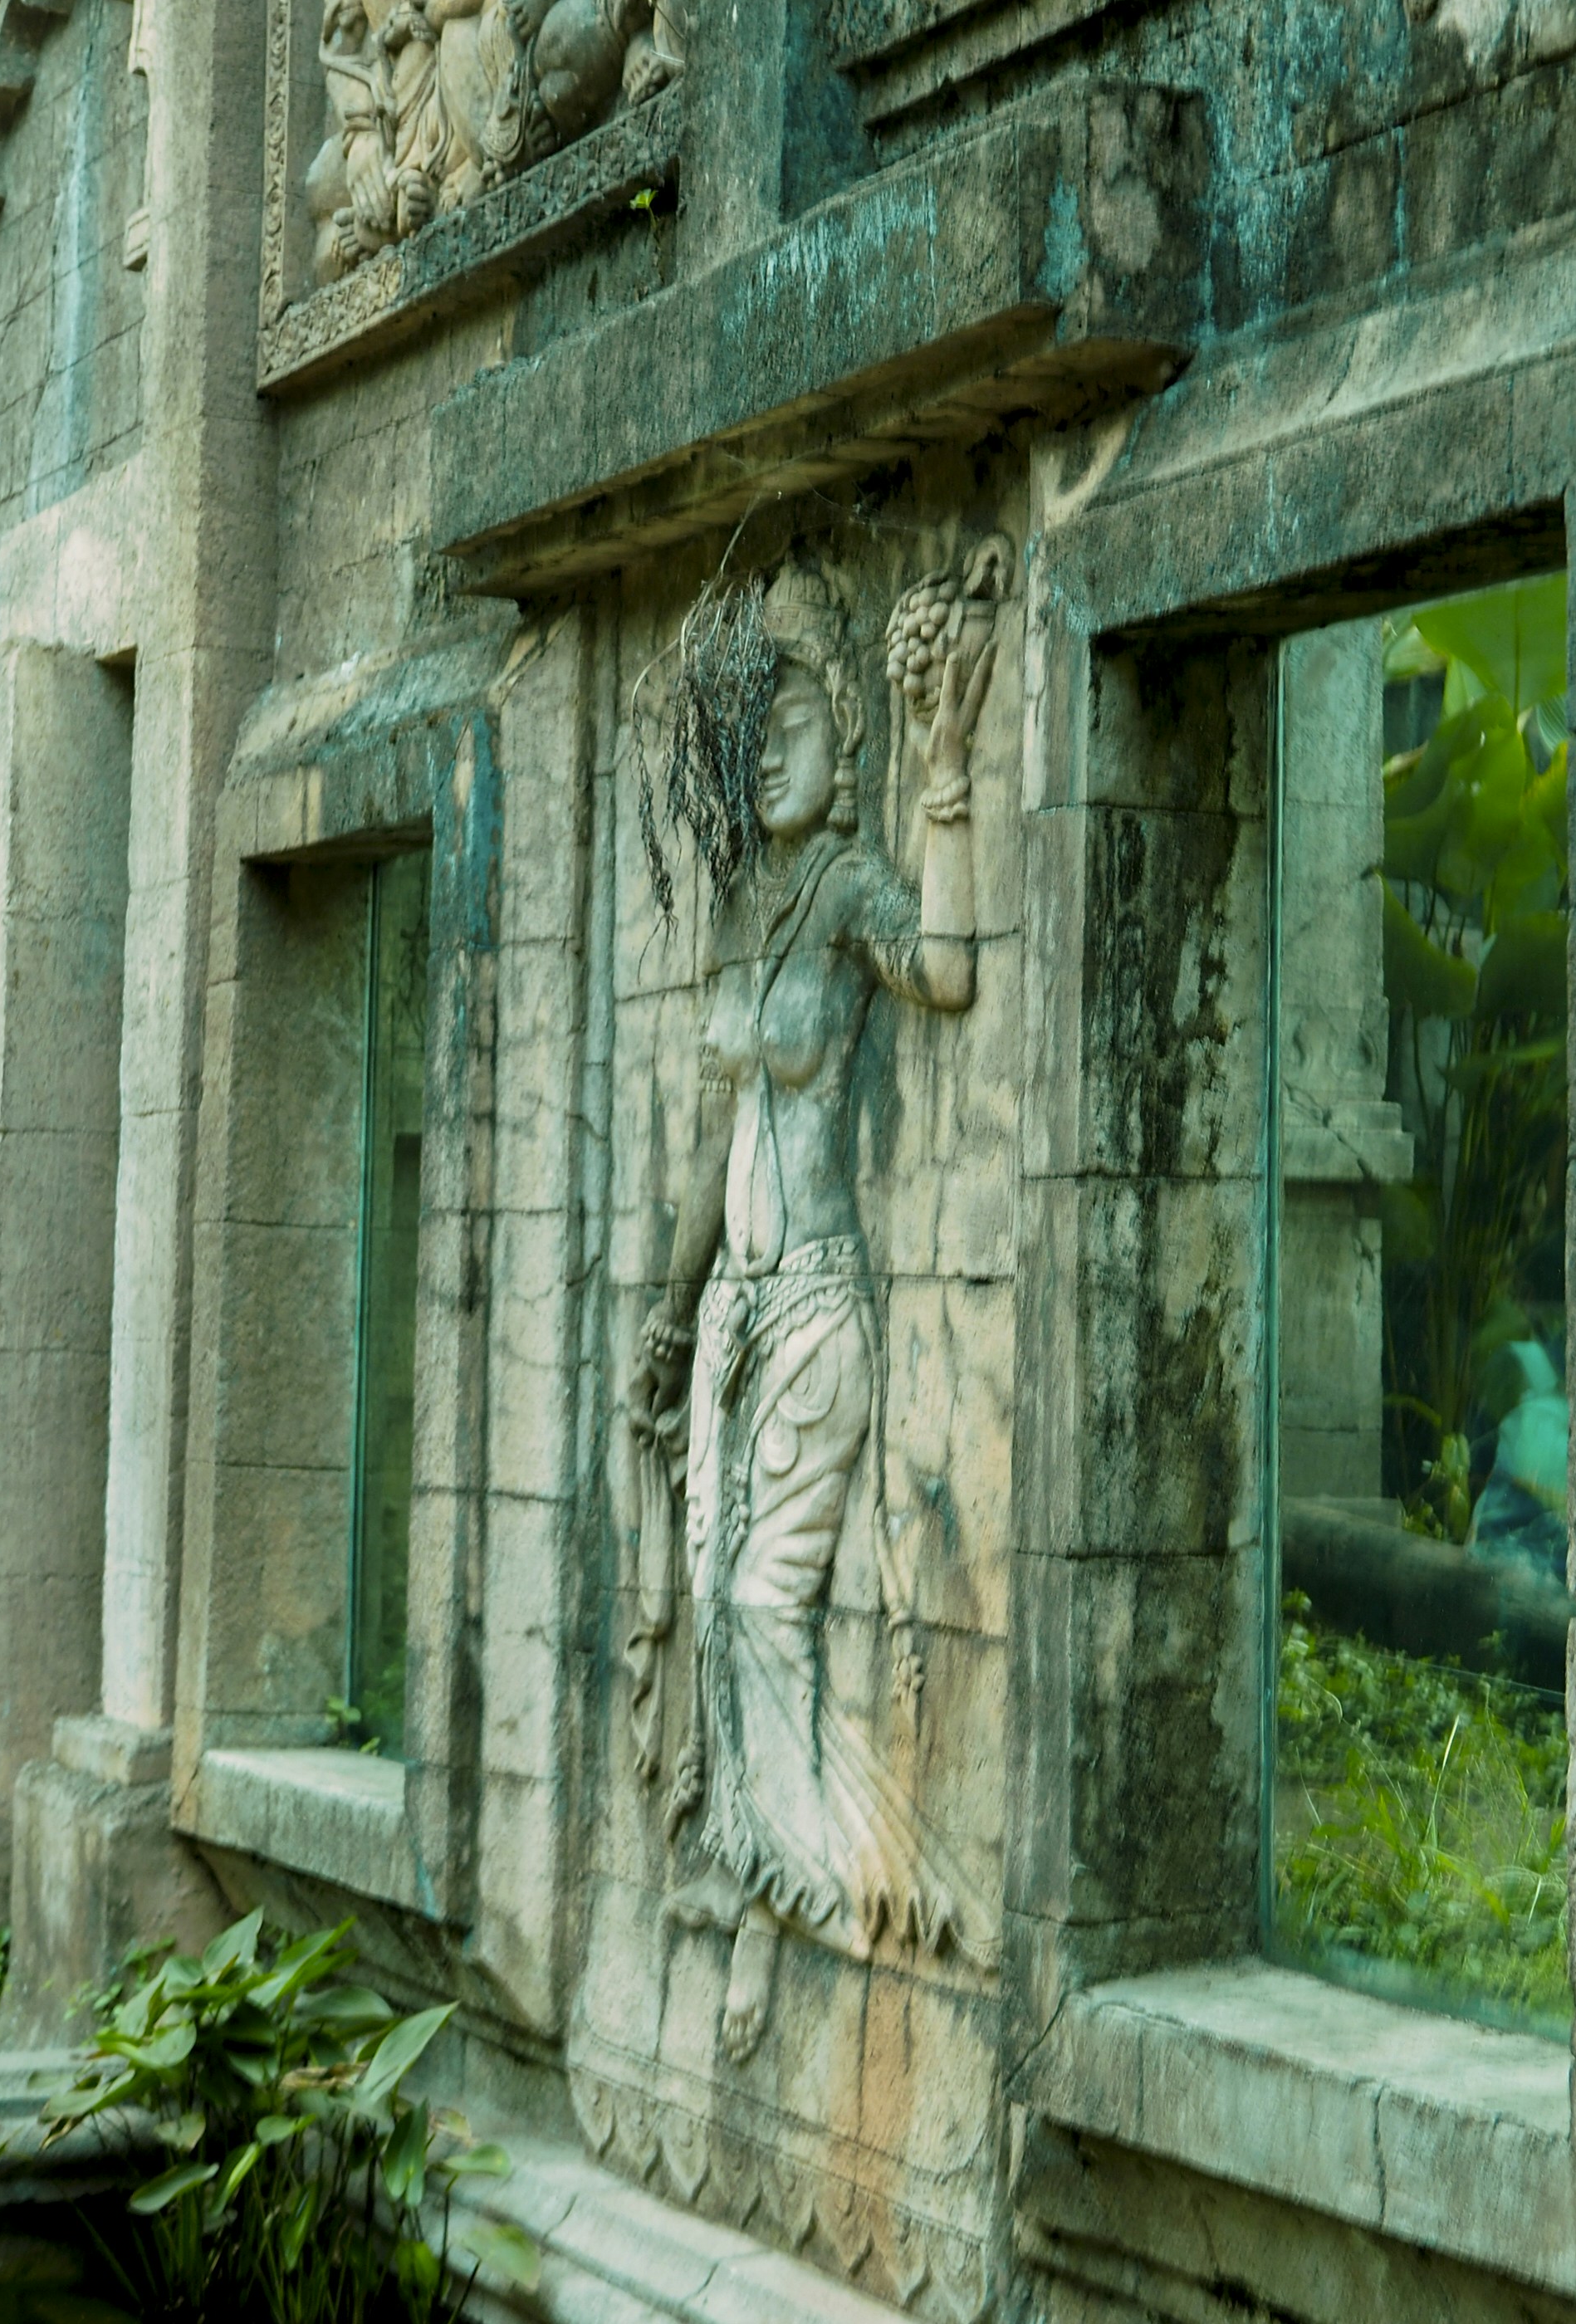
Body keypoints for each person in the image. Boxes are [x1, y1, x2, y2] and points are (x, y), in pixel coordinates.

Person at [627, 556, 1001, 2063]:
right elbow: (713, 1161)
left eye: (800, 716)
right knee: (715, 1608)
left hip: (820, 1313)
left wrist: (952, 773)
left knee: (765, 1612)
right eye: (759, 719)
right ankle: (744, 1868)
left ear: (848, 744)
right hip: (732, 1312)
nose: (774, 741)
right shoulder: (748, 908)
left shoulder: (846, 889)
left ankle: (800, 1898)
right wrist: (667, 1314)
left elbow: (956, 974)